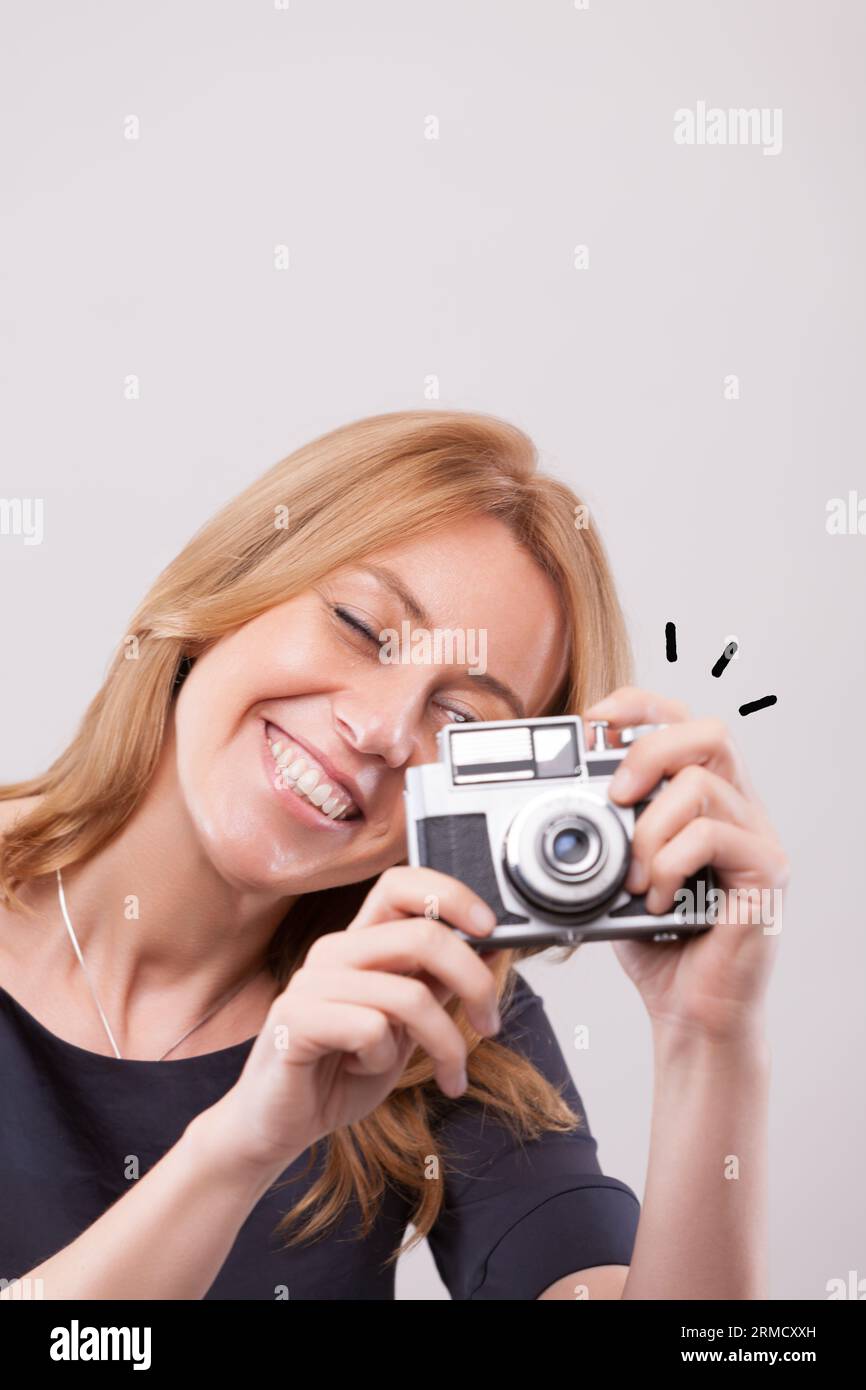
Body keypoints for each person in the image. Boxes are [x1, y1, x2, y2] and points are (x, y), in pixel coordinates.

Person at [0, 410, 788, 1300]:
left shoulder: (434, 1014)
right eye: (360, 624)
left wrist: (711, 1038)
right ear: (229, 591)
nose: (379, 729)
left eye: (460, 721)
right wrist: (238, 1148)